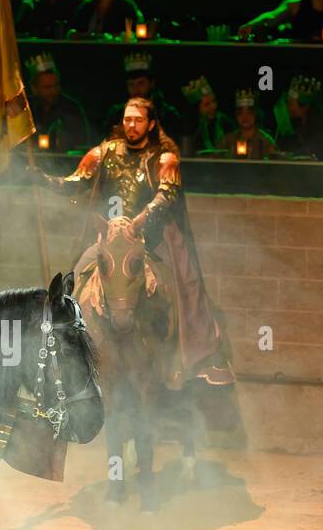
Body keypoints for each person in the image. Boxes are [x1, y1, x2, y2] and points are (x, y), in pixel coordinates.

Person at [33, 96, 233, 393]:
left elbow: (166, 195)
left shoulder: (164, 159)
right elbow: (76, 182)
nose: (132, 125)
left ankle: (188, 357)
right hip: (110, 241)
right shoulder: (105, 152)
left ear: (151, 124)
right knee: (74, 279)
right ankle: (65, 351)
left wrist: (137, 223)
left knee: (184, 287)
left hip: (150, 240)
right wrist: (40, 178)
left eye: (138, 120)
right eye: (127, 119)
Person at [103, 52, 183, 143]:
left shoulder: (167, 114)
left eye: (141, 83)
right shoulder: (116, 114)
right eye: (131, 84)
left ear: (152, 83)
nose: (135, 90)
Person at [272, 75, 323, 160]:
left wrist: (289, 156)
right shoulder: (301, 121)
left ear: (305, 106)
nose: (288, 107)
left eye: (291, 104)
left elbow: (314, 149)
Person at [25, 52, 90, 152]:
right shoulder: (27, 108)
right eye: (47, 87)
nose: (53, 91)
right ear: (35, 88)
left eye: (56, 86)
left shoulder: (71, 108)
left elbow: (81, 142)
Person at [179, 76, 234, 156]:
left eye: (214, 101)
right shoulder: (188, 126)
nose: (213, 106)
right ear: (197, 108)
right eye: (207, 104)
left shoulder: (225, 122)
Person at [220, 88, 277, 159]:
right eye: (240, 113)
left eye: (249, 113)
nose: (245, 117)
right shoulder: (227, 140)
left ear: (255, 114)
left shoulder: (266, 140)